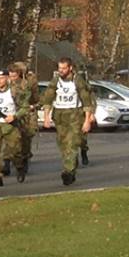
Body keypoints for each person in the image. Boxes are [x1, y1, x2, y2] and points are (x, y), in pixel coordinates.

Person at [41, 56, 92, 184]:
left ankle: (68, 172)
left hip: (75, 115)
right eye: (59, 68)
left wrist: (87, 120)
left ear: (70, 68)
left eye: (64, 68)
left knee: (72, 143)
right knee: (63, 144)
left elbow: (86, 101)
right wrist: (46, 117)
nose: (61, 71)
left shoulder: (78, 81)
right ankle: (71, 167)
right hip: (59, 116)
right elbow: (48, 99)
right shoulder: (55, 81)